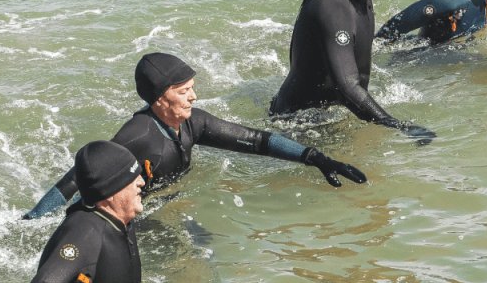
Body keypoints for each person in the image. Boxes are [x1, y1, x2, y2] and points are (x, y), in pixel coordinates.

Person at [23, 52, 366, 219]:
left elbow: (256, 140)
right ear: (160, 97)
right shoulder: (136, 135)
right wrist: (33, 222)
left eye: (193, 89)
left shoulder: (193, 123)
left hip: (167, 200)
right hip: (133, 213)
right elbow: (76, 180)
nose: (194, 97)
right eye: (184, 91)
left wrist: (313, 157)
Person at [269, 0, 436, 144]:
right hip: (299, 123)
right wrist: (398, 125)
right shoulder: (332, 7)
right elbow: (347, 86)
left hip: (333, 109)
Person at [19, 140, 149, 283]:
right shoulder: (85, 231)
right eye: (132, 178)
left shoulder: (122, 219)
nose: (142, 182)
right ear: (110, 191)